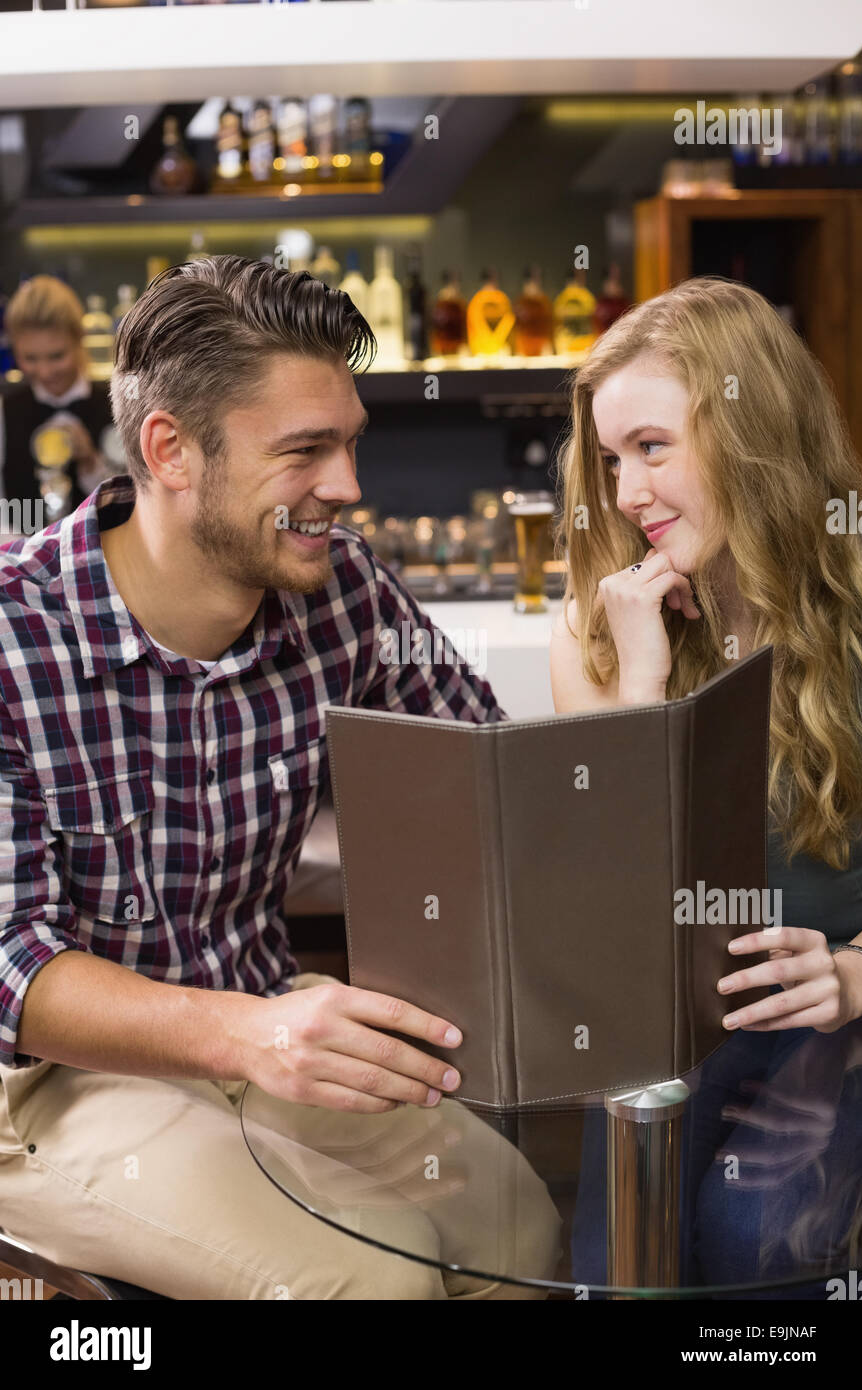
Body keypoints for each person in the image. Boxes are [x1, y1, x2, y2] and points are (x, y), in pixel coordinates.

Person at [0, 255, 560, 1300]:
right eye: (305, 450)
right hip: (40, 1086)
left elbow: (482, 772)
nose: (347, 487)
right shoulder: (12, 632)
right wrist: (250, 1033)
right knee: (379, 1285)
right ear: (170, 450)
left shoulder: (340, 589)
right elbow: (10, 959)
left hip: (260, 1013)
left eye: (349, 443)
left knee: (516, 1233)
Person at [551, 274, 862, 1294]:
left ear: (751, 435)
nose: (625, 493)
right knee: (620, 1264)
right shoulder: (600, 631)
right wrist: (641, 684)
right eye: (609, 459)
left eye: (652, 448)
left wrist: (850, 975)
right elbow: (606, 921)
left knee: (747, 1232)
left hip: (843, 1019)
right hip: (670, 1034)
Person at [0, 275, 114, 525]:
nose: (45, 372)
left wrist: (90, 461)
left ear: (79, 340)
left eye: (57, 356)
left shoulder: (114, 403)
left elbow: (133, 503)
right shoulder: (5, 410)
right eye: (30, 358)